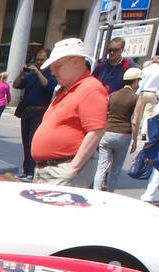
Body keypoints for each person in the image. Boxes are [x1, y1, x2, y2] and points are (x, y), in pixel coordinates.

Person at [31, 38, 107, 187]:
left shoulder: (90, 88)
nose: (53, 72)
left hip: (63, 168)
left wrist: (73, 168)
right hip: (50, 168)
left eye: (57, 66)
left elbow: (96, 131)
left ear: (76, 61)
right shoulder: (67, 89)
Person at [13, 49, 56, 181]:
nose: (39, 62)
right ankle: (26, 170)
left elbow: (49, 86)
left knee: (33, 142)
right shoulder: (31, 75)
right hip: (27, 111)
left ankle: (32, 171)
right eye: (37, 60)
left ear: (48, 60)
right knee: (26, 142)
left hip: (40, 112)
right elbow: (16, 85)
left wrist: (38, 72)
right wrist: (21, 74)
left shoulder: (51, 74)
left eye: (42, 60)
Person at [94, 67, 140, 192]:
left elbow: (104, 113)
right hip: (123, 134)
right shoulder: (136, 98)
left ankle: (96, 192)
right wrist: (135, 140)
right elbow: (135, 121)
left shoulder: (113, 95)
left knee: (101, 167)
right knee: (116, 169)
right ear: (136, 81)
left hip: (107, 132)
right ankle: (110, 193)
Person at [133, 55, 159, 149]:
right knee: (148, 113)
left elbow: (141, 82)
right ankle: (144, 132)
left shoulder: (146, 69)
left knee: (138, 113)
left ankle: (135, 130)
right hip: (153, 93)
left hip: (143, 92)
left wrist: (138, 92)